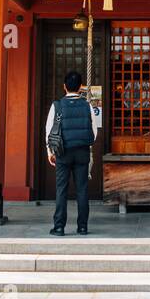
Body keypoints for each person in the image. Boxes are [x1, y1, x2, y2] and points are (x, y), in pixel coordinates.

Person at [46, 70, 97, 235]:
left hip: (63, 152)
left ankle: (59, 226)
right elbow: (94, 131)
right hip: (82, 152)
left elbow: (49, 131)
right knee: (82, 189)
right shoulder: (87, 105)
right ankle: (82, 227)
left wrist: (50, 152)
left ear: (64, 87)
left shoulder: (57, 105)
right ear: (81, 87)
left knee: (61, 189)